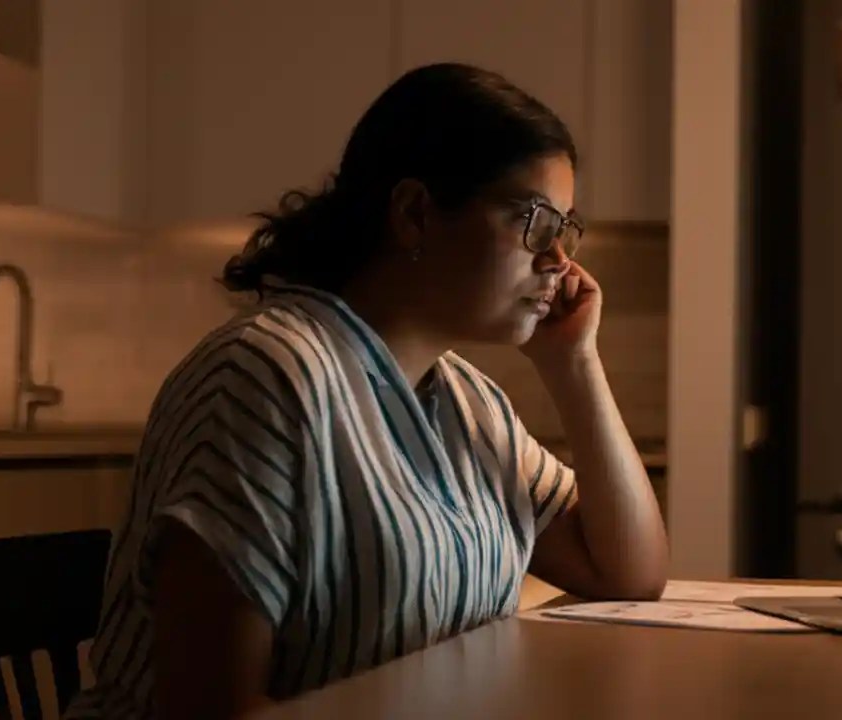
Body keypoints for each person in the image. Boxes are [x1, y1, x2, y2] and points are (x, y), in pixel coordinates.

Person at [67, 63, 669, 719]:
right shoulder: (265, 378)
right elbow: (211, 708)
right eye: (534, 220)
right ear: (415, 214)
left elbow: (627, 573)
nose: (558, 260)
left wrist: (574, 365)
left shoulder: (468, 401)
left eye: (564, 228)